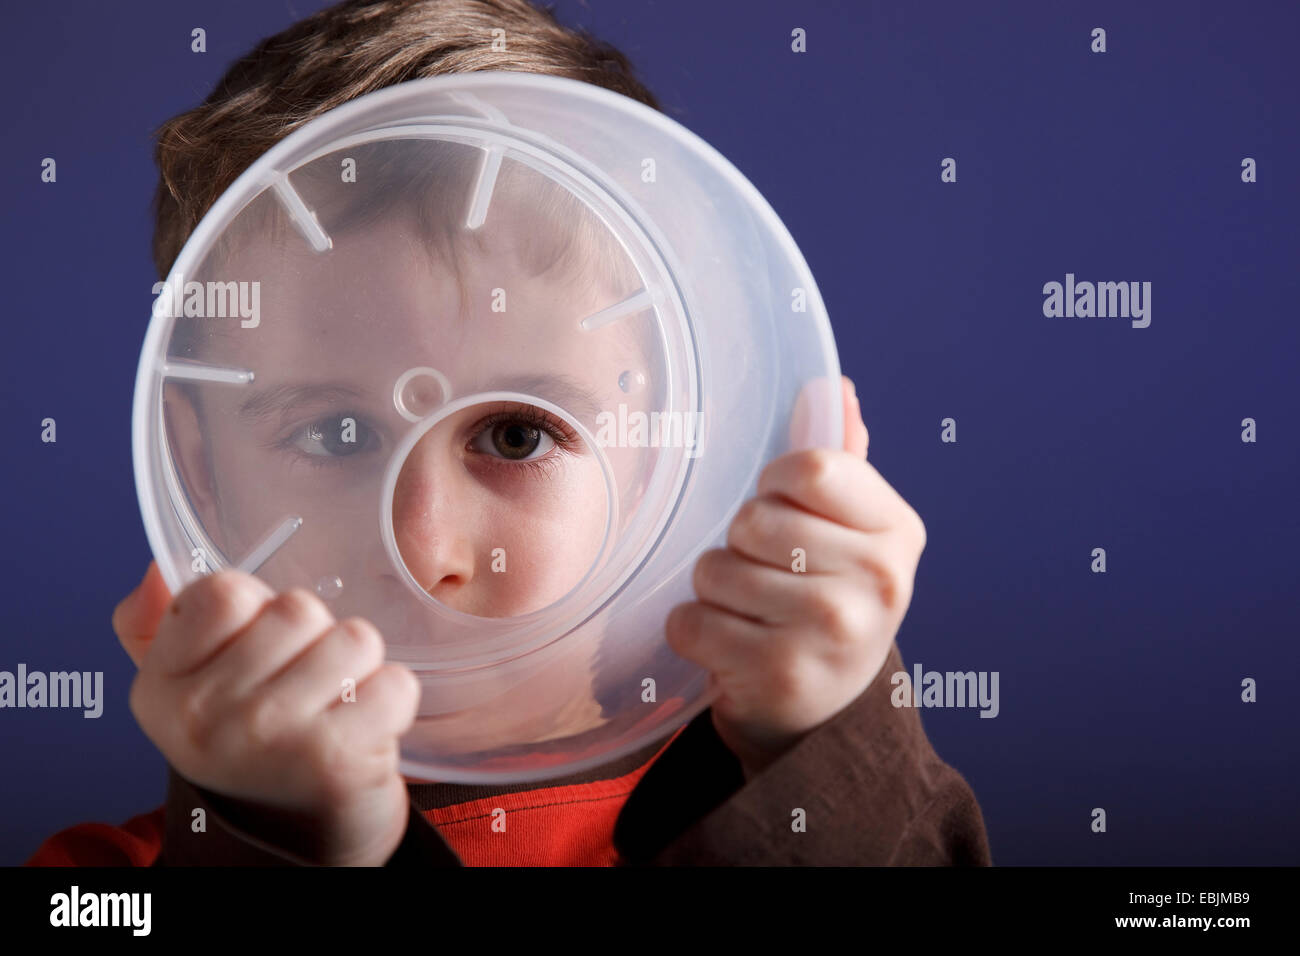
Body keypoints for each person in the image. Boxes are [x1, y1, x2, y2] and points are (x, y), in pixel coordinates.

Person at [26, 0, 991, 867]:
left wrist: (825, 751)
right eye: (336, 435)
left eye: (519, 436)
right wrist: (275, 847)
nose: (428, 546)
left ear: (663, 451)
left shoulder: (821, 817)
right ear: (196, 472)